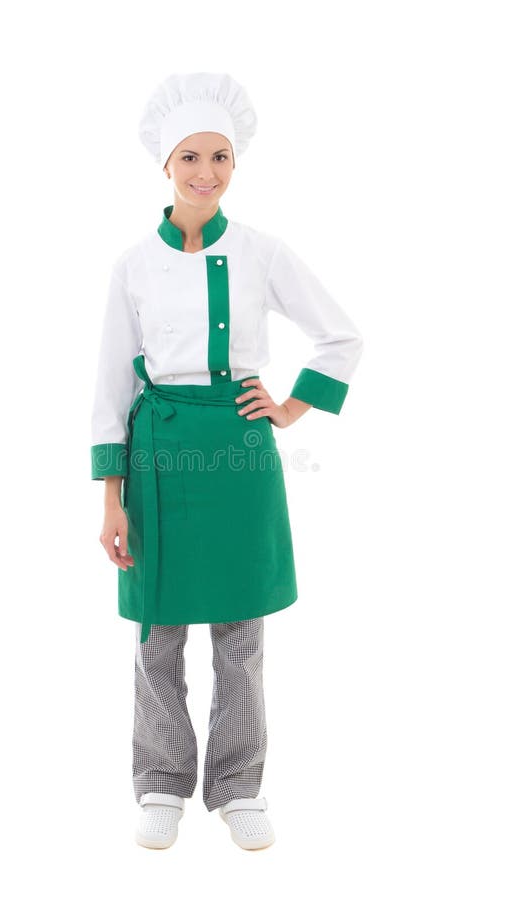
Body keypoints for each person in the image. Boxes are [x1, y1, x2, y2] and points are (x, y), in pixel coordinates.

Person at [90, 72, 364, 850]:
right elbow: (111, 383)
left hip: (239, 453)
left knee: (241, 634)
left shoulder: (261, 252)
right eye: (190, 157)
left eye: (219, 157)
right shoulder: (131, 265)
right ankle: (161, 783)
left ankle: (239, 786)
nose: (205, 172)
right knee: (158, 631)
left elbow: (341, 335)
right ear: (165, 163)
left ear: (235, 162)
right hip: (157, 453)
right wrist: (110, 496)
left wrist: (290, 407)